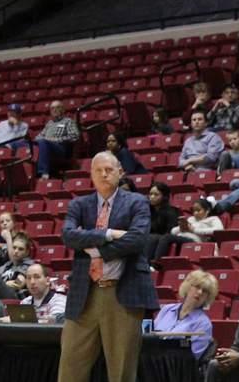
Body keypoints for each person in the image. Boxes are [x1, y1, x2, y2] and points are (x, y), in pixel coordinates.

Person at [59, 152, 154, 382]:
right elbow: (69, 236)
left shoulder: (137, 202)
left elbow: (137, 239)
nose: (103, 174)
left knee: (122, 373)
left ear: (120, 173)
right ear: (91, 175)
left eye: (109, 170)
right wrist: (109, 234)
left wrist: (96, 250)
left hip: (123, 293)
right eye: (98, 170)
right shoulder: (78, 205)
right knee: (69, 370)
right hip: (84, 293)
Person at [153, 270, 218, 360]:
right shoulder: (167, 309)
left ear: (208, 296)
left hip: (176, 364)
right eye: (197, 287)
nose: (200, 292)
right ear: (188, 287)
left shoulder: (204, 324)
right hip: (152, 359)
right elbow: (151, 335)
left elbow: (191, 358)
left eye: (205, 291)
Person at [37, 101, 81, 179]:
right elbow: (39, 136)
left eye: (57, 107)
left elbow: (75, 136)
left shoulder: (68, 121)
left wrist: (56, 139)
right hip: (45, 145)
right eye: (52, 108)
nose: (55, 110)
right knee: (17, 144)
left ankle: (44, 173)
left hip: (61, 147)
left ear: (63, 110)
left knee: (43, 142)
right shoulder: (49, 123)